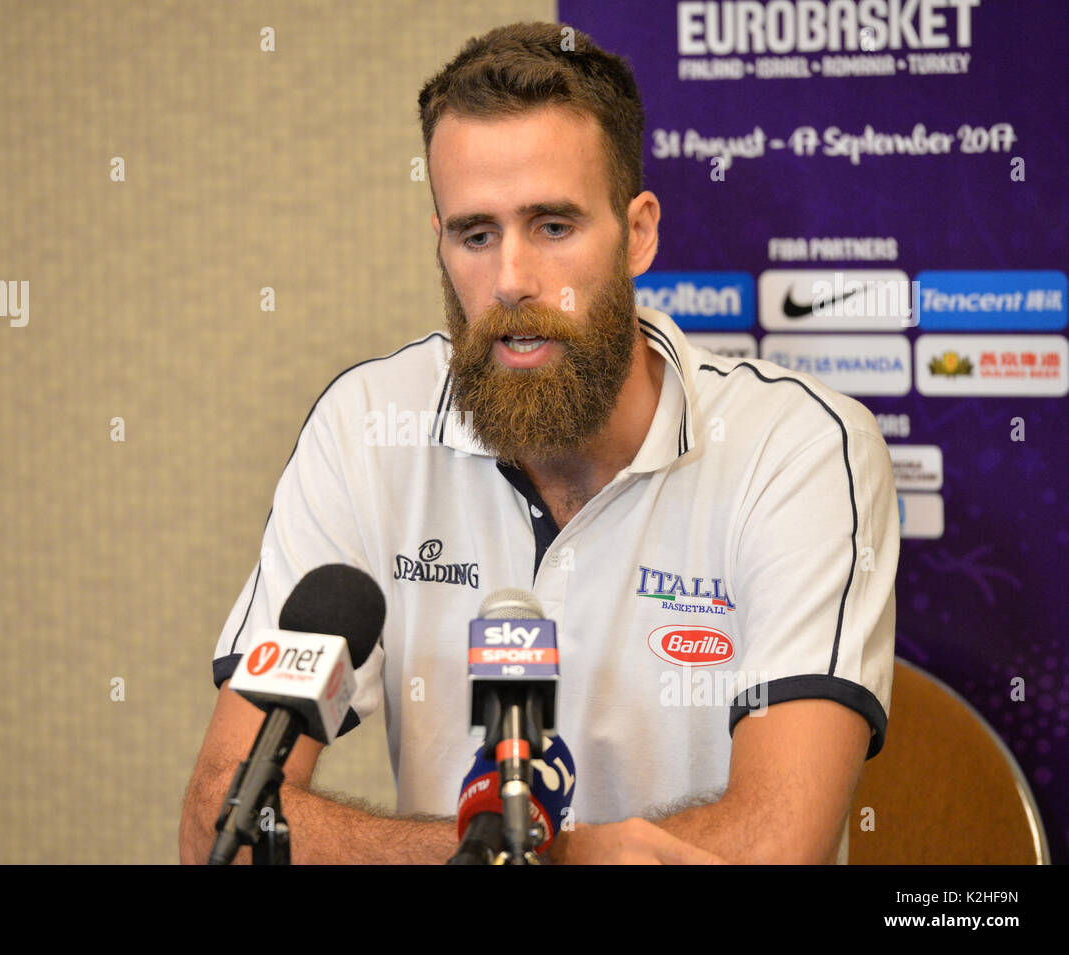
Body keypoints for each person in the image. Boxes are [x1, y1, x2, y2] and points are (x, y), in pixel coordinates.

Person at [179, 21, 898, 865]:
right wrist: (520, 857)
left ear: (638, 233)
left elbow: (777, 845)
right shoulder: (364, 430)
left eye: (553, 225)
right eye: (475, 235)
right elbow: (219, 825)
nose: (512, 280)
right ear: (440, 242)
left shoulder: (799, 447)